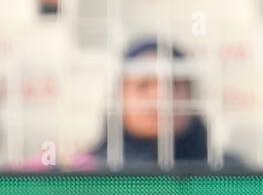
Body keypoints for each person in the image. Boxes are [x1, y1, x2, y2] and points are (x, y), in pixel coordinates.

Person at [80, 37, 226, 170]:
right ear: (119, 97)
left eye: (174, 84)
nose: (161, 96)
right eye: (144, 85)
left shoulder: (229, 176)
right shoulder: (83, 175)